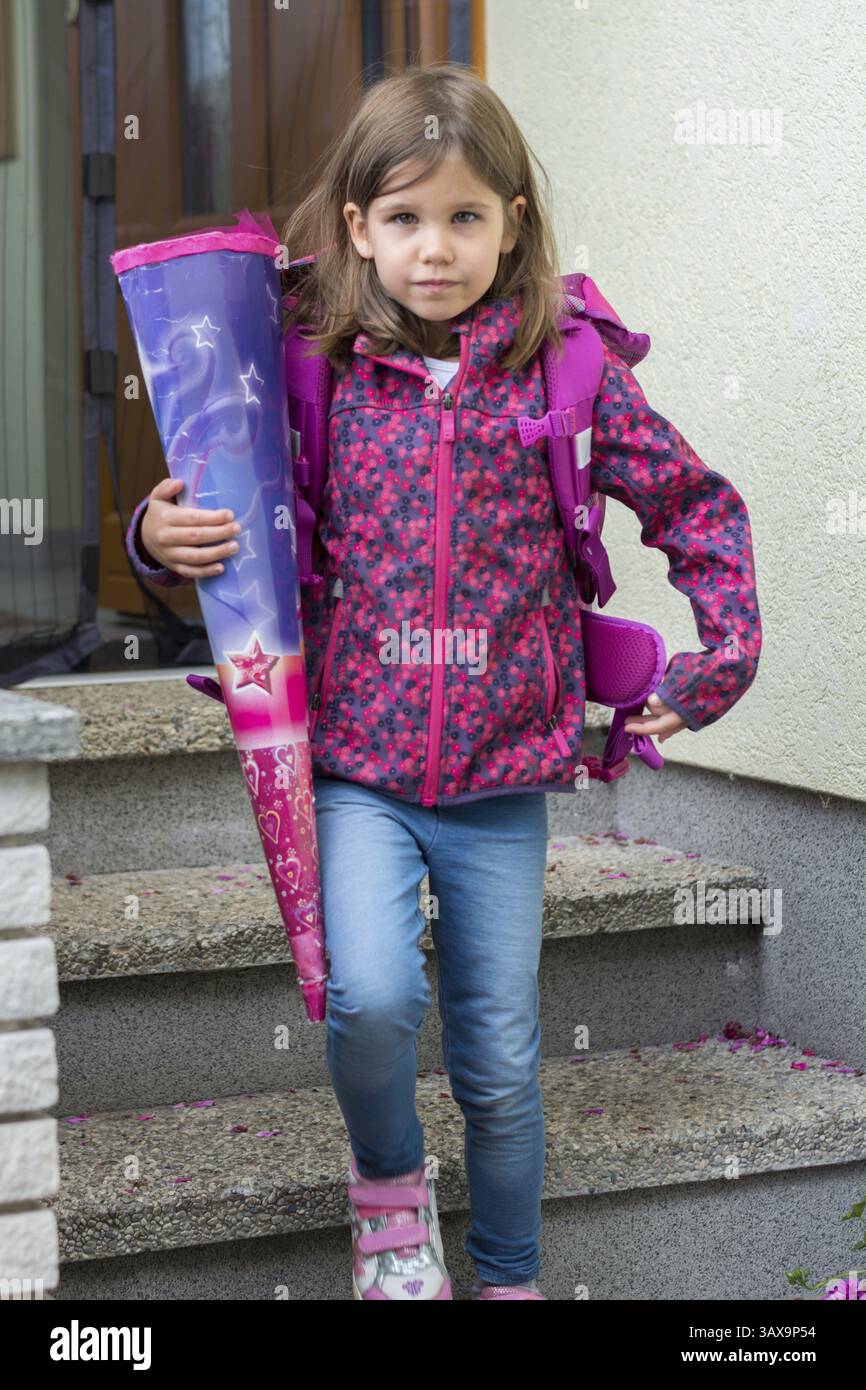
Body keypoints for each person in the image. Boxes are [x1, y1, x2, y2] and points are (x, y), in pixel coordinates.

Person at [125, 63, 762, 1300]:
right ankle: (389, 1198)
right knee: (364, 1001)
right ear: (356, 226)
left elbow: (698, 506)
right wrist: (158, 542)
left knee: (501, 1055)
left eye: (465, 217)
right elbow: (223, 523)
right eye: (404, 218)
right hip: (356, 769)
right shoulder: (304, 367)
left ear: (511, 222)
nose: (434, 248)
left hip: (502, 777)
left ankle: (510, 1276)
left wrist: (721, 655)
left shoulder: (564, 370)